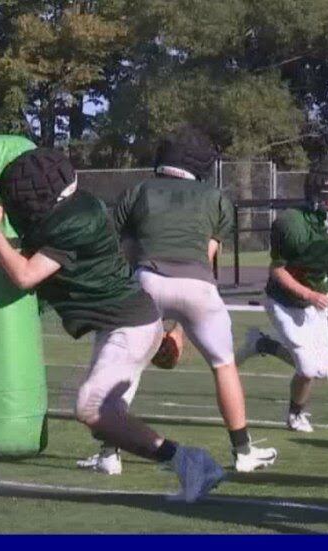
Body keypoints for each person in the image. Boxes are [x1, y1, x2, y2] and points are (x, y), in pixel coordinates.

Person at [0, 147, 226, 501]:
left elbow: (25, 275)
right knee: (107, 415)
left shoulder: (75, 218)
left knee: (92, 408)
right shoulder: (72, 206)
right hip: (120, 323)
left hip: (131, 324)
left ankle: (188, 460)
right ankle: (167, 460)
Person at [77, 127, 276, 476]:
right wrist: (179, 324)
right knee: (224, 365)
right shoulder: (215, 197)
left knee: (127, 364)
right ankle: (243, 451)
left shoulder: (138, 190)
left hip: (146, 280)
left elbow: (116, 250)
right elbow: (207, 255)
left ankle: (110, 452)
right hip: (199, 288)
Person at [235, 157, 328, 433]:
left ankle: (264, 345)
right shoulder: (293, 223)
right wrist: (310, 295)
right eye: (326, 196)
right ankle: (295, 415)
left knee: (323, 371)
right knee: (308, 369)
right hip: (285, 302)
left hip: (315, 301)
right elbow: (277, 271)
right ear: (314, 193)